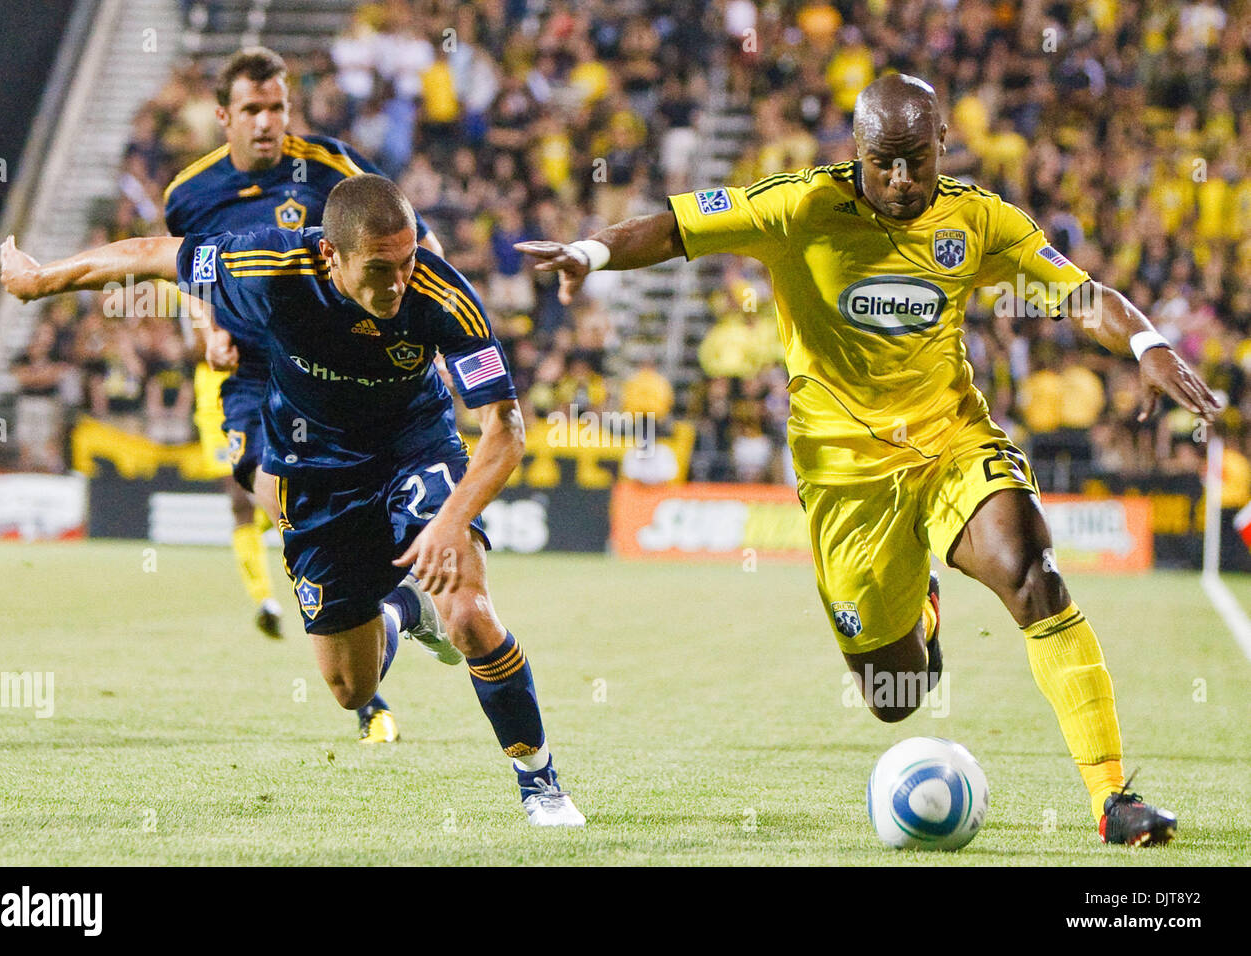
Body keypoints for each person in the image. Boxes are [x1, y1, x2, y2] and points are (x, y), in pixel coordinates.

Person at [517, 74, 1222, 846]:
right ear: (856, 151)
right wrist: (590, 250)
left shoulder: (978, 219)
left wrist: (1148, 344)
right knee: (896, 694)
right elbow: (676, 228)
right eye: (884, 161)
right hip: (845, 479)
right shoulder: (800, 207)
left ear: (942, 146)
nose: (901, 179)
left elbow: (1079, 294)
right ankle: (919, 602)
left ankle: (1112, 797)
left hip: (951, 441)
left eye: (917, 160)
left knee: (1034, 576)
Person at [0, 173, 585, 827]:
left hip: (414, 451)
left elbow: (506, 431)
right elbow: (155, 255)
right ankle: (400, 610)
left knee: (470, 615)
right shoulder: (264, 264)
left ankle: (540, 782)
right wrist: (42, 280)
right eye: (380, 269)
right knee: (349, 689)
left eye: (409, 260)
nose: (398, 284)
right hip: (313, 472)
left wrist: (451, 523)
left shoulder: (443, 294)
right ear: (331, 256)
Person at [163, 46, 451, 744]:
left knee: (315, 512)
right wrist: (205, 328)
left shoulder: (330, 167)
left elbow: (410, 237)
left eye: (279, 108)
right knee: (272, 496)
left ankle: (369, 668)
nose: (268, 123)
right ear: (224, 116)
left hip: (321, 364)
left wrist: (432, 328)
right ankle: (371, 655)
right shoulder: (189, 195)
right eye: (254, 110)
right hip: (242, 372)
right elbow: (184, 274)